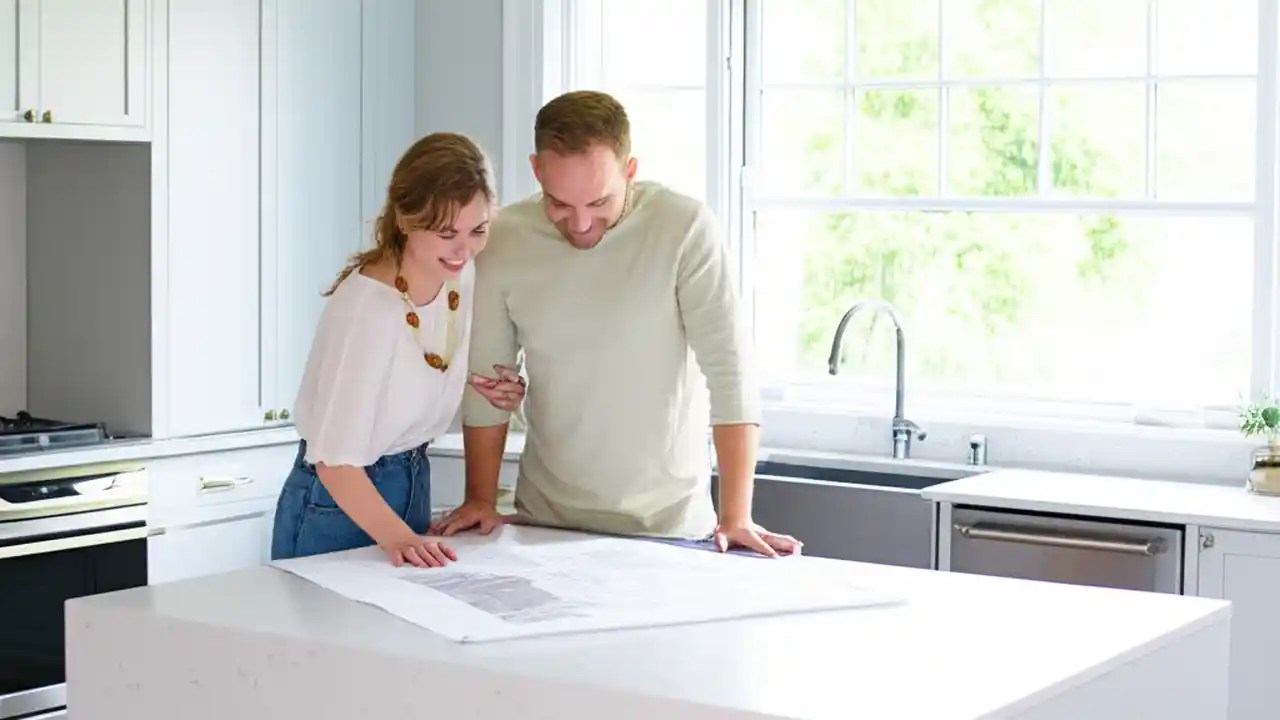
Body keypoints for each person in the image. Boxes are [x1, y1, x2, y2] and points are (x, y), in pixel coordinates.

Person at [434, 91, 801, 557]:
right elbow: (487, 382)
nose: (580, 223)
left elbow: (730, 371)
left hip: (669, 528)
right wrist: (480, 499)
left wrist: (736, 516)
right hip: (546, 524)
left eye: (599, 201)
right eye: (559, 203)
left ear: (630, 170)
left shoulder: (684, 228)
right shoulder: (504, 238)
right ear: (536, 170)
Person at [270, 132, 526, 568]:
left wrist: (488, 388)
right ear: (407, 220)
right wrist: (399, 537)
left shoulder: (457, 277)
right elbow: (334, 461)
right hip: (337, 499)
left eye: (478, 230)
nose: (464, 250)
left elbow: (411, 376)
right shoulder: (368, 308)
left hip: (411, 478)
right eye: (447, 233)